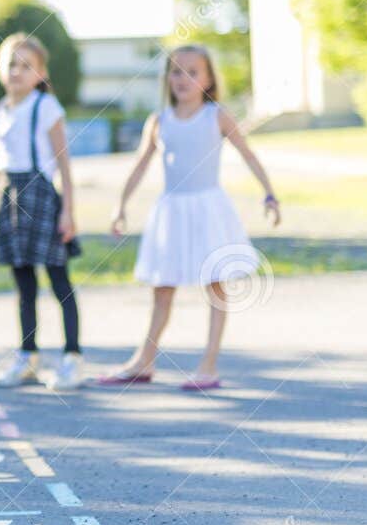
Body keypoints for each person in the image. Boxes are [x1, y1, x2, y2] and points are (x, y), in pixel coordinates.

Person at [102, 45, 281, 391]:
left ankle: (208, 365)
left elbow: (248, 154)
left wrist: (269, 193)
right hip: (171, 211)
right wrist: (120, 205)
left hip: (208, 210)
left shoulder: (217, 116)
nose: (182, 79)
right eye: (175, 71)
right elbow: (140, 165)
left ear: (209, 78)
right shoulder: (159, 121)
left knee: (215, 286)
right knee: (162, 289)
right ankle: (144, 361)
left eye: (192, 71)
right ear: (166, 78)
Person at [0, 34, 84, 391]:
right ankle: (28, 356)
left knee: (59, 280)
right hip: (11, 197)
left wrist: (68, 212)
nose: (18, 72)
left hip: (42, 195)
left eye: (26, 66)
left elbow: (64, 165)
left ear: (40, 73)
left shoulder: (46, 108)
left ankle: (72, 357)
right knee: (24, 284)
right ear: (0, 70)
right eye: (12, 65)